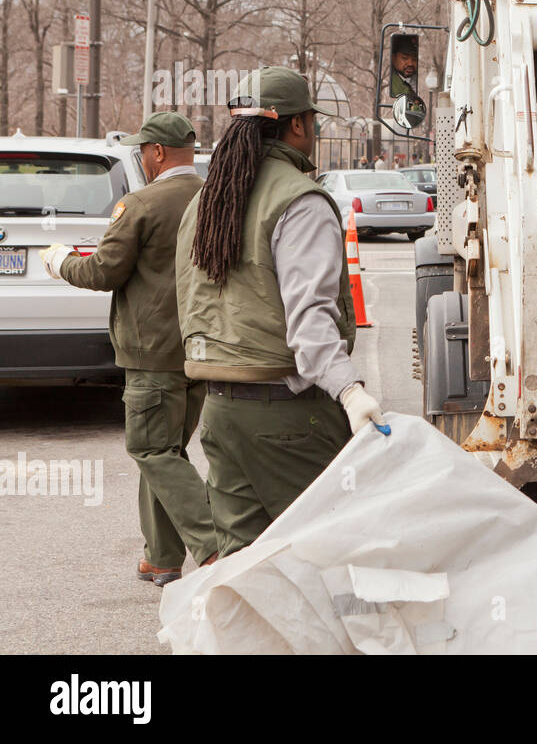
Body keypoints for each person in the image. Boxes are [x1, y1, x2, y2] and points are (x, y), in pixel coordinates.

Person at [175, 66, 387, 557]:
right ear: (298, 125)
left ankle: (242, 637)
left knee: (245, 565)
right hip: (288, 413)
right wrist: (350, 391)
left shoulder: (208, 201)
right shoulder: (300, 202)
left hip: (221, 409)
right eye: (311, 120)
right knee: (335, 552)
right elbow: (309, 316)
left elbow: (187, 297)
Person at [41, 112, 217, 585]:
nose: (141, 156)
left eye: (143, 150)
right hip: (200, 347)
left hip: (150, 351)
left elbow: (103, 272)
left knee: (151, 449)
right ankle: (161, 557)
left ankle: (216, 544)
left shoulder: (143, 202)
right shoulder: (214, 198)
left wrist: (60, 263)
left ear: (156, 153)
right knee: (167, 450)